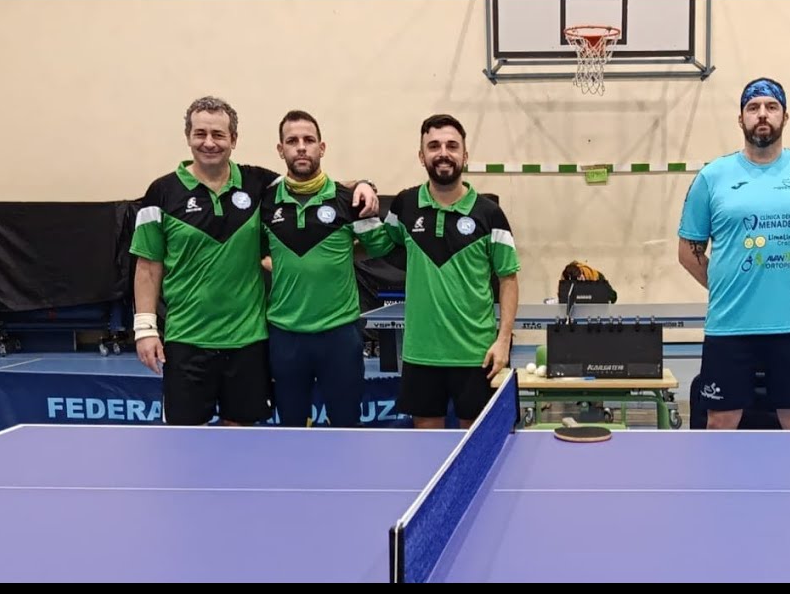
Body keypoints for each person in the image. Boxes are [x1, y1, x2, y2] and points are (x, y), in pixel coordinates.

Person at [131, 96, 378, 426]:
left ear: (233, 139)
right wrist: (145, 328)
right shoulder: (161, 193)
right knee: (185, 439)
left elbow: (310, 182)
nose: (209, 143)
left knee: (242, 435)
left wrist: (363, 185)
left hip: (248, 339)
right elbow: (148, 265)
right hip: (186, 339)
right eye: (200, 133)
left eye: (219, 135)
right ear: (188, 136)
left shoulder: (258, 185)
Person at [677, 77, 790, 430]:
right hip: (730, 326)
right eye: (753, 108)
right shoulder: (712, 176)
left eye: (771, 107)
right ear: (741, 119)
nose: (762, 114)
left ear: (785, 116)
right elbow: (688, 251)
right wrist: (728, 283)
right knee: (720, 422)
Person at [384, 114, 521, 429]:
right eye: (433, 146)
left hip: (476, 355)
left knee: (475, 452)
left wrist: (503, 341)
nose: (443, 153)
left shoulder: (490, 214)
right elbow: (378, 243)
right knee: (427, 451)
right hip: (421, 353)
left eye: (451, 146)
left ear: (465, 155)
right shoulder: (404, 206)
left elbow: (509, 278)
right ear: (422, 156)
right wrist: (359, 190)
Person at [260, 110, 395, 428]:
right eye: (292, 141)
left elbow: (380, 248)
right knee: (292, 428)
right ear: (281, 150)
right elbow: (249, 251)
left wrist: (366, 188)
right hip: (285, 335)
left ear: (322, 147)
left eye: (308, 140)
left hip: (340, 336)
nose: (301, 147)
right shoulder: (264, 203)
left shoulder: (350, 200)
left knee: (346, 426)